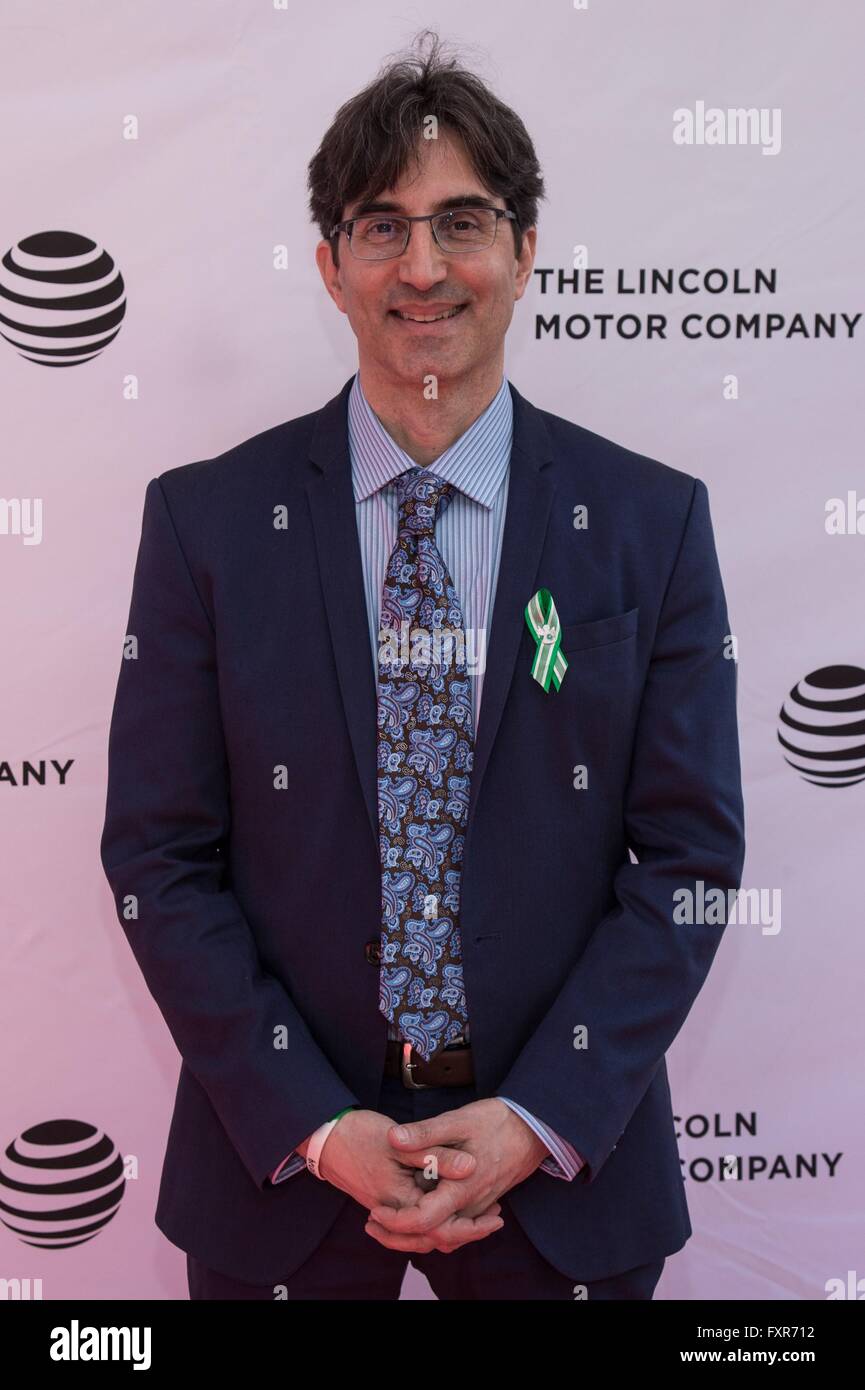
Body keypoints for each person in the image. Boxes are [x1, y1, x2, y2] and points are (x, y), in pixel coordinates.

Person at [100, 31, 745, 1301]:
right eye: (382, 227)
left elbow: (689, 862)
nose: (424, 265)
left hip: (565, 1186)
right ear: (332, 266)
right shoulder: (207, 523)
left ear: (524, 251)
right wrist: (316, 1124)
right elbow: (159, 860)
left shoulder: (649, 523)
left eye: (463, 221)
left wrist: (538, 1117)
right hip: (278, 1182)